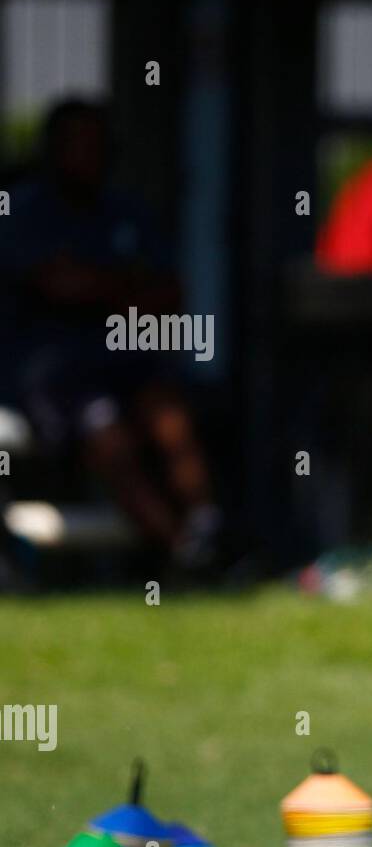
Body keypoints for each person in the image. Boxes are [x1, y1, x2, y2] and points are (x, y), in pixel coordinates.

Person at [1, 99, 222, 570]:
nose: (91, 156)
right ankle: (184, 550)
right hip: (54, 370)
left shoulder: (125, 211)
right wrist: (122, 286)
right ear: (53, 151)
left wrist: (95, 285)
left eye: (99, 146)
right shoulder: (23, 211)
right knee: (107, 434)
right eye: (79, 145)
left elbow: (169, 293)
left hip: (126, 351)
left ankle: (207, 525)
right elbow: (57, 285)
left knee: (167, 410)